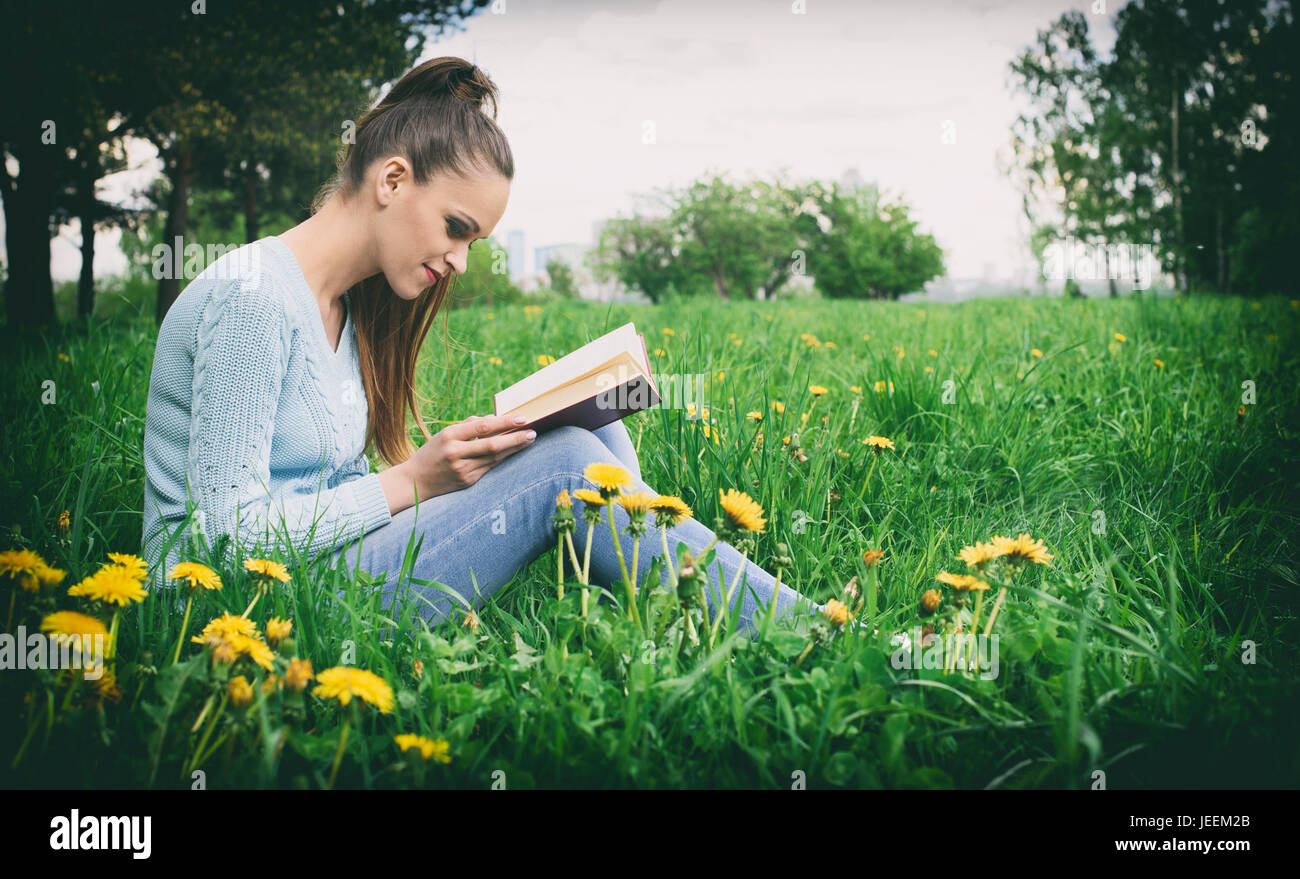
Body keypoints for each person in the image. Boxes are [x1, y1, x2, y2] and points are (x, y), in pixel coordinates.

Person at [141, 56, 823, 634]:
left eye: (473, 241)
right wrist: (412, 481)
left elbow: (322, 482)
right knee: (570, 469)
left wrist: (449, 470)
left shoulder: (346, 306)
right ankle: (799, 630)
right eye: (456, 227)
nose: (460, 261)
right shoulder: (254, 297)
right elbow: (222, 541)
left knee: (596, 437)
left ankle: (702, 609)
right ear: (392, 180)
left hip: (324, 565)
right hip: (252, 609)